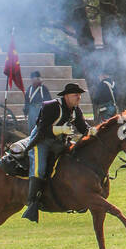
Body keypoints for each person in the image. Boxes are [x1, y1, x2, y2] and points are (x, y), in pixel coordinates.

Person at [21, 82, 94, 223]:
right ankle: (32, 203)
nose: (78, 97)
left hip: (59, 142)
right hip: (41, 140)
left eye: (79, 95)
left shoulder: (75, 110)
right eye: (75, 95)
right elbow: (42, 130)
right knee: (39, 169)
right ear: (66, 96)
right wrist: (60, 130)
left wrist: (94, 131)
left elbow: (83, 127)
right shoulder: (51, 106)